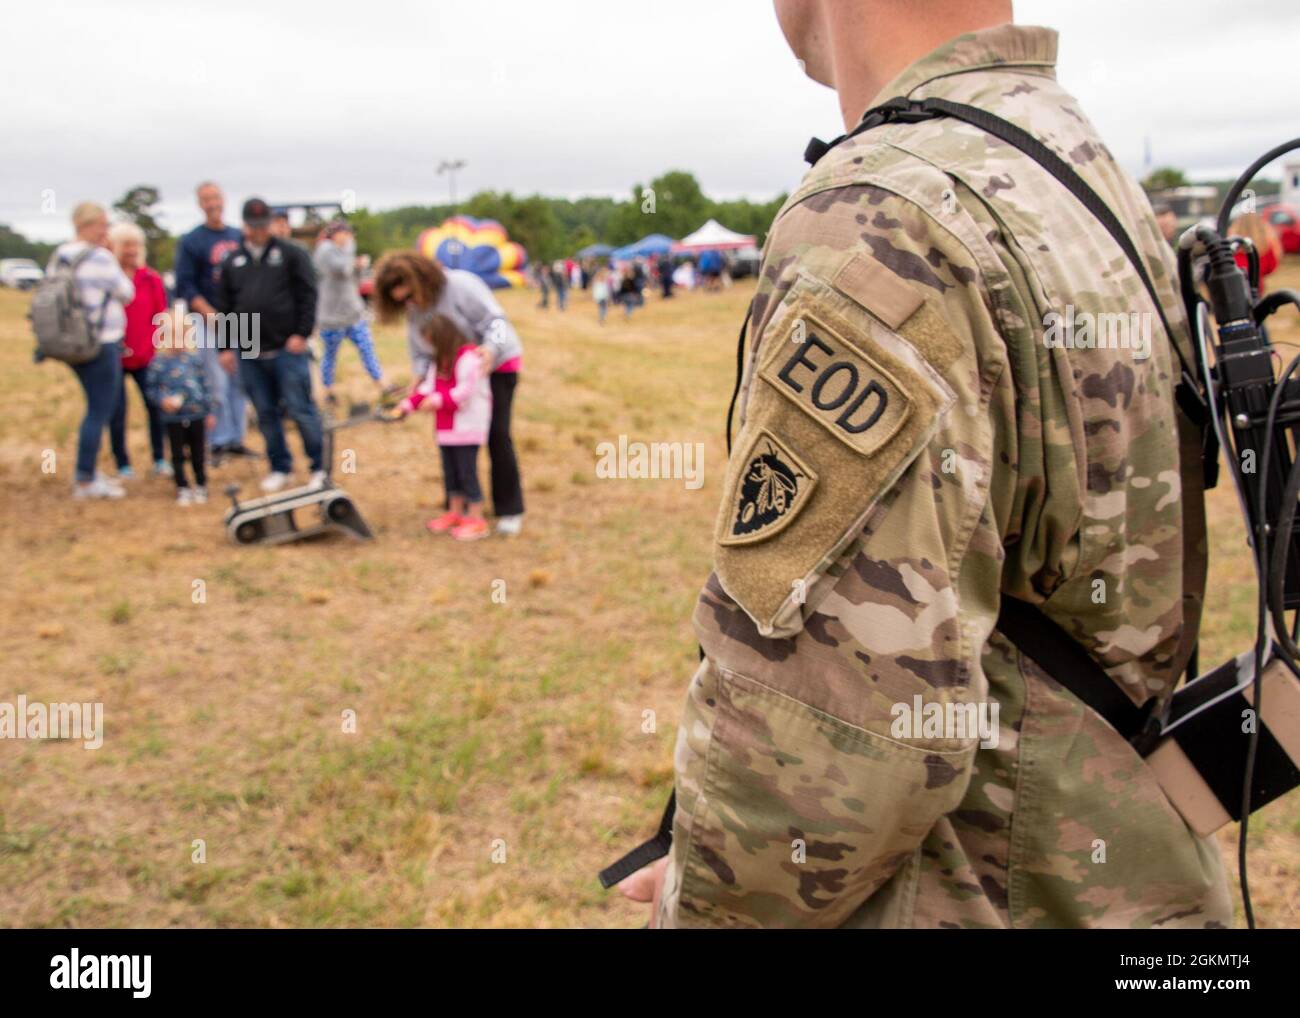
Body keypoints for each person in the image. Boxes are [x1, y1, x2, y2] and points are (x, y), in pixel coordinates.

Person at [618, 2, 1231, 929]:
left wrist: (702, 909)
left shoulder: (886, 212)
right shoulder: (1070, 160)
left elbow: (828, 746)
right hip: (1130, 880)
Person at [373, 251, 525, 536]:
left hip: (498, 364)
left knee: (496, 434)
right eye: (401, 301)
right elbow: (420, 351)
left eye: (410, 296)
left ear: (421, 279)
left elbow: (498, 323)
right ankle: (459, 505)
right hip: (455, 372)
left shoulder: (461, 285)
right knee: (454, 438)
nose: (409, 304)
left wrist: (491, 350)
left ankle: (509, 510)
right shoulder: (414, 310)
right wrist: (416, 382)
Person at [215, 197, 324, 492]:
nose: (260, 231)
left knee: (301, 408)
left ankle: (318, 467)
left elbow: (308, 295)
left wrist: (302, 333)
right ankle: (280, 467)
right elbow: (225, 306)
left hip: (287, 343)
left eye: (264, 225)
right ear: (245, 226)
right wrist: (225, 347)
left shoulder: (291, 254)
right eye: (254, 226)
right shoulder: (233, 260)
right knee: (265, 412)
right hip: (249, 341)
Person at [47, 202, 135, 499]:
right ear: (91, 224)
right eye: (104, 225)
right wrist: (110, 253)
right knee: (100, 409)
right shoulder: (100, 257)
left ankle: (90, 472)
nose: (106, 231)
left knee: (94, 406)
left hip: (69, 343)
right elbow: (126, 292)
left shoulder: (60, 255)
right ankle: (85, 478)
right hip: (100, 343)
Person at [174, 181, 252, 461]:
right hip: (208, 319)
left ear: (224, 199)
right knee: (215, 381)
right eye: (206, 199)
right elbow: (185, 284)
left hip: (242, 319)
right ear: (200, 204)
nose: (212, 204)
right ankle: (218, 440)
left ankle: (237, 439)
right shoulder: (192, 241)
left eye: (215, 198)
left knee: (242, 380)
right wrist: (208, 312)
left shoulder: (239, 236)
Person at [398, 313, 492, 542]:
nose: (429, 344)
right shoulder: (439, 361)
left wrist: (437, 401)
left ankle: (477, 519)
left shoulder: (469, 358)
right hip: (445, 428)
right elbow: (428, 387)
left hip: (467, 427)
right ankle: (455, 513)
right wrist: (406, 405)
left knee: (467, 472)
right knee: (450, 472)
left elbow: (464, 393)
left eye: (431, 339)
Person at [107, 222, 169, 479]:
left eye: (135, 245)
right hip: (115, 357)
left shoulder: (150, 278)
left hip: (146, 356)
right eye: (126, 245)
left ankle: (160, 458)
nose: (131, 250)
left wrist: (158, 345)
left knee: (156, 407)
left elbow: (160, 314)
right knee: (117, 411)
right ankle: (122, 463)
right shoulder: (109, 278)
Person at [313, 220, 390, 404]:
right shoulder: (325, 250)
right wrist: (350, 250)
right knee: (329, 357)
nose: (349, 238)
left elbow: (351, 278)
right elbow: (342, 269)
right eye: (345, 234)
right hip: (331, 318)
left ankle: (383, 385)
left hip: (353, 314)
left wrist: (358, 265)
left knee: (367, 349)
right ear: (335, 234)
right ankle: (328, 391)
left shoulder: (343, 252)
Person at [145, 310, 215, 505]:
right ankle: (182, 486)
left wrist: (209, 411)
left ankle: (201, 484)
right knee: (177, 453)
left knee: (198, 452)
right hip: (173, 418)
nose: (178, 340)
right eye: (173, 336)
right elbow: (151, 389)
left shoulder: (194, 360)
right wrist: (162, 401)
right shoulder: (158, 363)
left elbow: (205, 386)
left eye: (182, 335)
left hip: (196, 415)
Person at [1229, 211, 1283, 288]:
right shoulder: (1265, 248)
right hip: (1256, 288)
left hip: (1232, 289)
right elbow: (1271, 267)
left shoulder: (1231, 249)